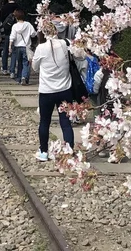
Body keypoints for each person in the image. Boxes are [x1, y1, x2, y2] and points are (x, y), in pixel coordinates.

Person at [31, 24, 86, 161]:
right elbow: (80, 56)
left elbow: (35, 67)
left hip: (46, 90)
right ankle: (69, 151)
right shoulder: (65, 43)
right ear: (57, 32)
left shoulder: (40, 48)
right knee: (65, 122)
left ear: (43, 33)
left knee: (44, 122)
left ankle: (43, 151)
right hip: (64, 89)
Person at [7, 10, 36, 85]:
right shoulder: (28, 25)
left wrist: (10, 46)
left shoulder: (15, 26)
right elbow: (33, 34)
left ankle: (18, 78)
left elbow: (12, 37)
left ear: (16, 17)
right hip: (26, 46)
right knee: (26, 62)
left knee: (19, 63)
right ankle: (24, 77)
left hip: (17, 46)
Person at [0, 6, 17, 75]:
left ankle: (5, 68)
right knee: (13, 53)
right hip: (15, 35)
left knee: (5, 51)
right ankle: (12, 70)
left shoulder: (4, 8)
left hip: (7, 34)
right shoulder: (18, 8)